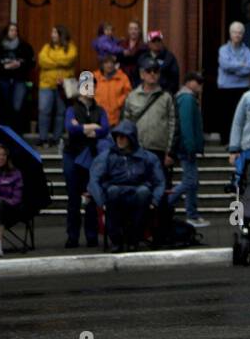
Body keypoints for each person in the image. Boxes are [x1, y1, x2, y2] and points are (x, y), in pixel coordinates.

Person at [89, 119, 164, 253]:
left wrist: (155, 200)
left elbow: (159, 181)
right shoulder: (107, 156)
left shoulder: (147, 157)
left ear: (131, 138)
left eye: (123, 136)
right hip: (115, 192)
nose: (119, 139)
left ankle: (134, 240)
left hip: (138, 192)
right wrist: (101, 202)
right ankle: (116, 241)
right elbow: (94, 179)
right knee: (113, 191)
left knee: (144, 192)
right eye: (117, 136)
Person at [123, 59, 176, 220]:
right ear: (141, 74)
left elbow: (173, 124)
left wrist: (170, 152)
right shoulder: (132, 97)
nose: (152, 74)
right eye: (149, 71)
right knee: (138, 190)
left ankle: (161, 229)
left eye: (156, 71)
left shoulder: (166, 97)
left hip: (159, 151)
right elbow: (126, 125)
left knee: (161, 190)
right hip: (137, 151)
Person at [64, 78, 110, 248]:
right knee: (73, 199)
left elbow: (105, 129)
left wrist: (82, 127)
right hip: (73, 156)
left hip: (91, 156)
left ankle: (91, 236)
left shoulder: (100, 110)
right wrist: (91, 127)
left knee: (91, 196)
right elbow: (70, 128)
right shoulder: (72, 109)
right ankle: (72, 237)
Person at [170, 71, 209, 228]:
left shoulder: (184, 98)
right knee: (190, 181)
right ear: (189, 82)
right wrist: (191, 146)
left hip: (186, 146)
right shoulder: (187, 99)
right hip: (187, 147)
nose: (200, 86)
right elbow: (186, 125)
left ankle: (192, 213)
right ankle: (165, 203)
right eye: (198, 82)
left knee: (192, 182)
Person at [36, 25, 77, 147]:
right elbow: (42, 60)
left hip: (63, 85)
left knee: (61, 112)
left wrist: (52, 62)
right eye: (52, 32)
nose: (52, 35)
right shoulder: (47, 47)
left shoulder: (71, 47)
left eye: (55, 32)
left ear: (61, 34)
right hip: (46, 84)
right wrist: (59, 64)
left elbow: (68, 59)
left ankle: (56, 138)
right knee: (44, 111)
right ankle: (43, 138)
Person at [216, 22, 250, 143]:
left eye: (240, 33)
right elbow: (225, 65)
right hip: (226, 87)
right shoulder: (223, 50)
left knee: (241, 115)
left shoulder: (247, 51)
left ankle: (238, 140)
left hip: (242, 88)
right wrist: (241, 66)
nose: (237, 35)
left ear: (243, 35)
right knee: (226, 115)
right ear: (230, 34)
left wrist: (234, 69)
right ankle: (226, 140)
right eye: (235, 32)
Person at [0, 23, 34, 128]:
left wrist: (20, 64)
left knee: (17, 107)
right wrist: (5, 67)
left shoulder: (25, 47)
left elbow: (31, 63)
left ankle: (17, 130)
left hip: (19, 79)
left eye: (15, 30)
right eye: (11, 30)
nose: (13, 32)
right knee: (4, 106)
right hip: (3, 79)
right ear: (6, 32)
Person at [92, 51, 132, 127]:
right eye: (106, 62)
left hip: (117, 121)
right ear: (102, 64)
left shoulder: (123, 77)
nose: (109, 65)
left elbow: (129, 94)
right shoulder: (94, 76)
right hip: (97, 121)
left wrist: (118, 103)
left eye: (112, 62)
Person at [144, 30, 181, 95]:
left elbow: (174, 78)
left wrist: (167, 93)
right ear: (149, 43)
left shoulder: (169, 58)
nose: (156, 43)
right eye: (154, 41)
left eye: (159, 41)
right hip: (145, 94)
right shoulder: (143, 57)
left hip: (163, 94)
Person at [119, 20, 145, 87]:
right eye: (131, 29)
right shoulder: (122, 44)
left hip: (137, 78)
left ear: (139, 31)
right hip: (122, 77)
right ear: (128, 31)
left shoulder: (143, 46)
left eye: (135, 29)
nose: (133, 31)